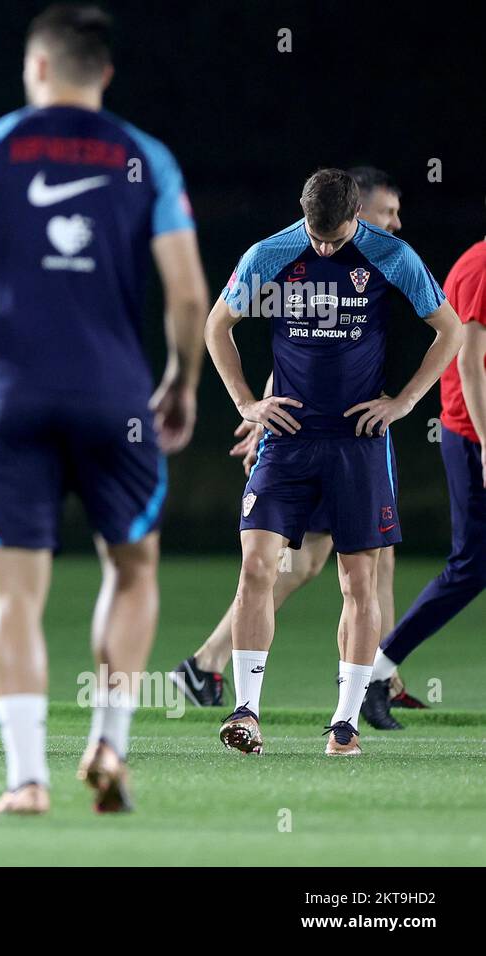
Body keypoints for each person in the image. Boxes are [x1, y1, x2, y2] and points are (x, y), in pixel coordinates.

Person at [0, 3, 208, 813]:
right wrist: (183, 380)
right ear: (104, 74)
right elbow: (188, 293)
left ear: (36, 67)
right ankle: (112, 739)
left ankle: (25, 779)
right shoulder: (145, 157)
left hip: (12, 398)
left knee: (14, 591)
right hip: (117, 397)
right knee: (133, 567)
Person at [206, 168, 461, 756]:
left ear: (356, 215)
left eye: (335, 236)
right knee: (256, 567)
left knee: (359, 580)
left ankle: (344, 724)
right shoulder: (272, 253)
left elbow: (448, 330)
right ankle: (246, 712)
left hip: (357, 443)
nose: (323, 247)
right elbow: (218, 325)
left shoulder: (389, 254)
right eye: (315, 237)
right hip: (287, 439)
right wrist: (246, 401)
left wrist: (403, 402)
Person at [362, 217, 486, 729]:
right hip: (472, 434)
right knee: (472, 565)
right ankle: (376, 673)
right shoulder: (480, 264)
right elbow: (469, 362)